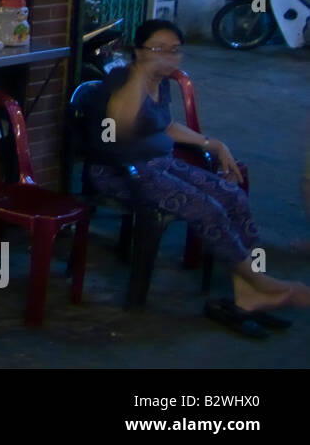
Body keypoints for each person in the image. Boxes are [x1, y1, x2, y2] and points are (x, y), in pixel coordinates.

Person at [94, 19, 310, 315]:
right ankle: (263, 283)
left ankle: (247, 290)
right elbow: (119, 128)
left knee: (233, 197)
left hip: (159, 163)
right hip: (120, 171)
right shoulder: (122, 79)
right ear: (139, 51)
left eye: (174, 50)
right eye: (158, 49)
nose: (168, 56)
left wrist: (213, 144)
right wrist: (140, 74)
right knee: (207, 208)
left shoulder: (160, 82)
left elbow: (165, 125)